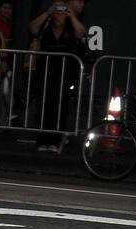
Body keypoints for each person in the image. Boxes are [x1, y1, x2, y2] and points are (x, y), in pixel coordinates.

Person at [28, 1, 87, 152]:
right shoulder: (46, 26)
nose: (59, 12)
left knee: (61, 107)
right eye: (58, 9)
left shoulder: (70, 28)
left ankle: (55, 141)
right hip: (45, 72)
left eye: (62, 9)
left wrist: (71, 15)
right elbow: (33, 26)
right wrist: (48, 12)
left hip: (64, 73)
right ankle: (42, 140)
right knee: (44, 106)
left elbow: (81, 32)